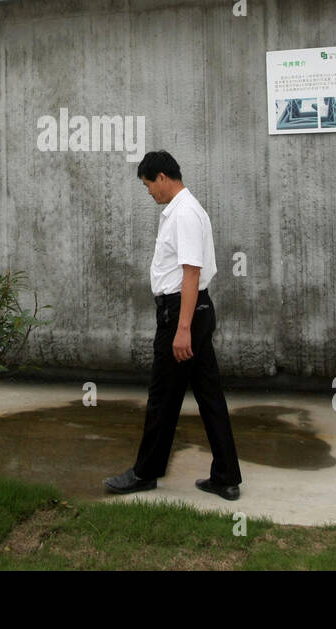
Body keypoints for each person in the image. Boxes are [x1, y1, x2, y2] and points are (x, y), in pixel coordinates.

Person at [104, 151, 243, 501]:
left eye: (149, 184)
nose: (149, 192)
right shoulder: (184, 210)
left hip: (183, 313)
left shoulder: (183, 213)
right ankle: (226, 477)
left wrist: (182, 329)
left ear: (163, 177)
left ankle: (144, 473)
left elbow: (191, 272)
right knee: (209, 395)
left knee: (162, 396)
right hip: (191, 311)